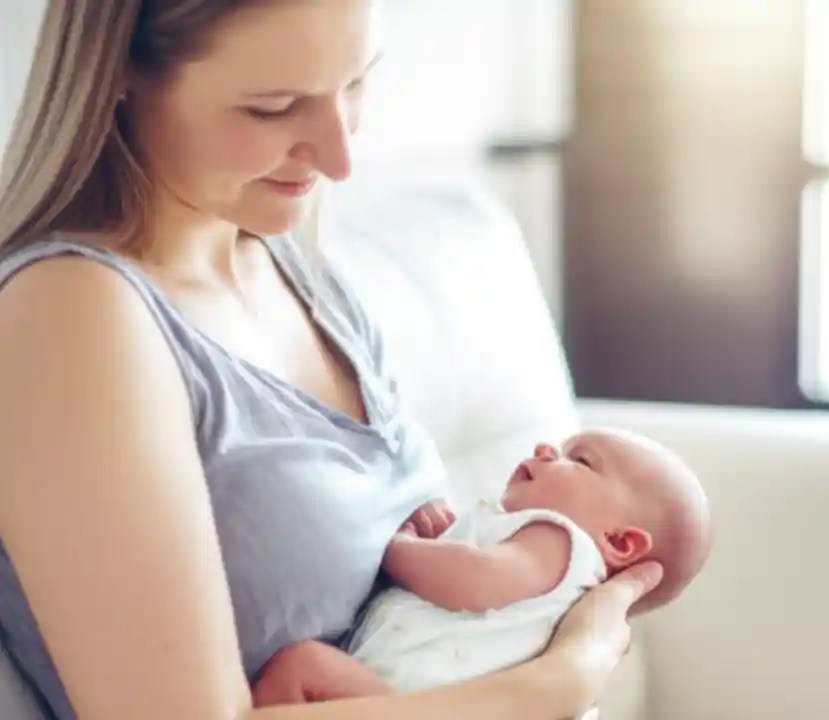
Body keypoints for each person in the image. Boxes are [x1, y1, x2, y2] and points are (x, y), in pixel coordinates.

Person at [0, 1, 662, 718]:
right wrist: (551, 687)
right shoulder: (72, 313)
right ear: (119, 73)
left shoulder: (296, 268)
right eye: (273, 108)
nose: (341, 158)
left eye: (356, 84)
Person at [251, 430, 712, 705]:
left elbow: (472, 580)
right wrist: (441, 540)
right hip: (416, 698)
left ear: (618, 541)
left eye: (580, 460)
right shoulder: (545, 569)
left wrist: (396, 544)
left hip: (419, 702)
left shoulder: (561, 542)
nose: (547, 449)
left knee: (301, 667)